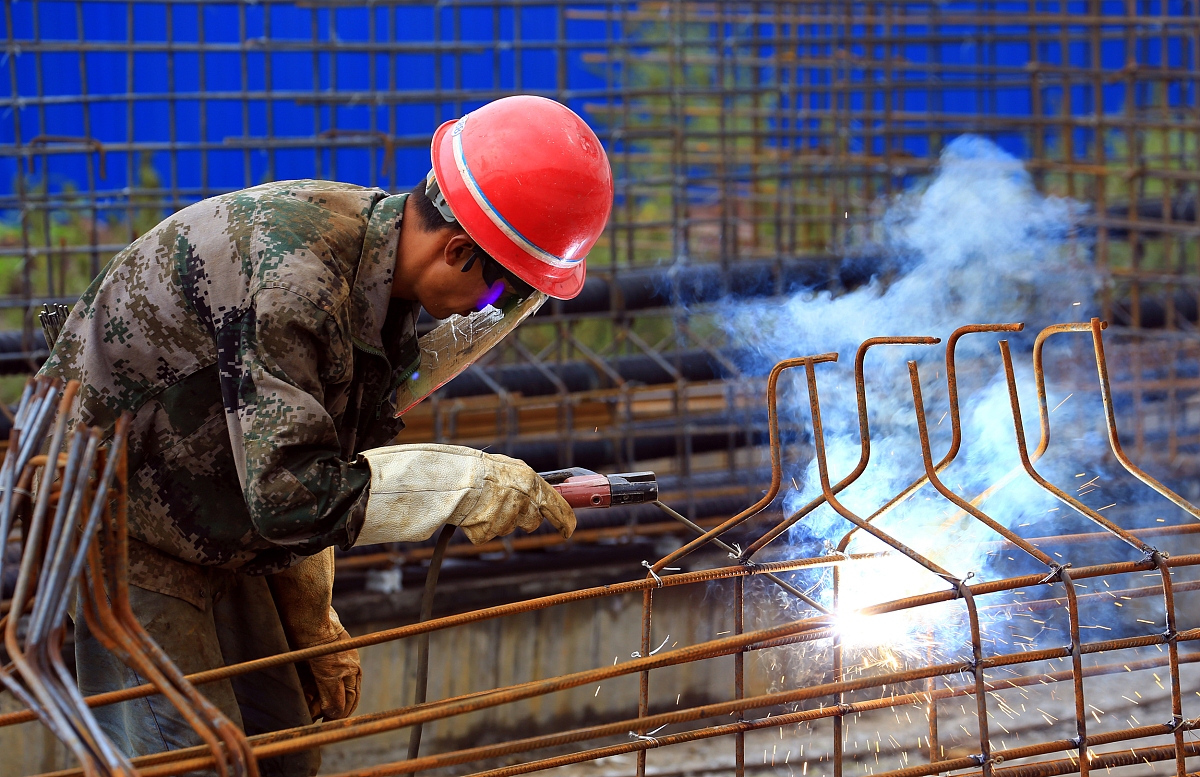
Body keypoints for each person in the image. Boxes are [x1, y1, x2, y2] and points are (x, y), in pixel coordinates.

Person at [37, 95, 613, 775]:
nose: (490, 312)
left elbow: (304, 444)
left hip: (214, 497)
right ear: (458, 247)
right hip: (123, 515)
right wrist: (459, 483)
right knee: (190, 759)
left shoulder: (377, 263)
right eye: (499, 293)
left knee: (286, 748)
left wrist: (312, 619)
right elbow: (288, 492)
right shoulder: (299, 279)